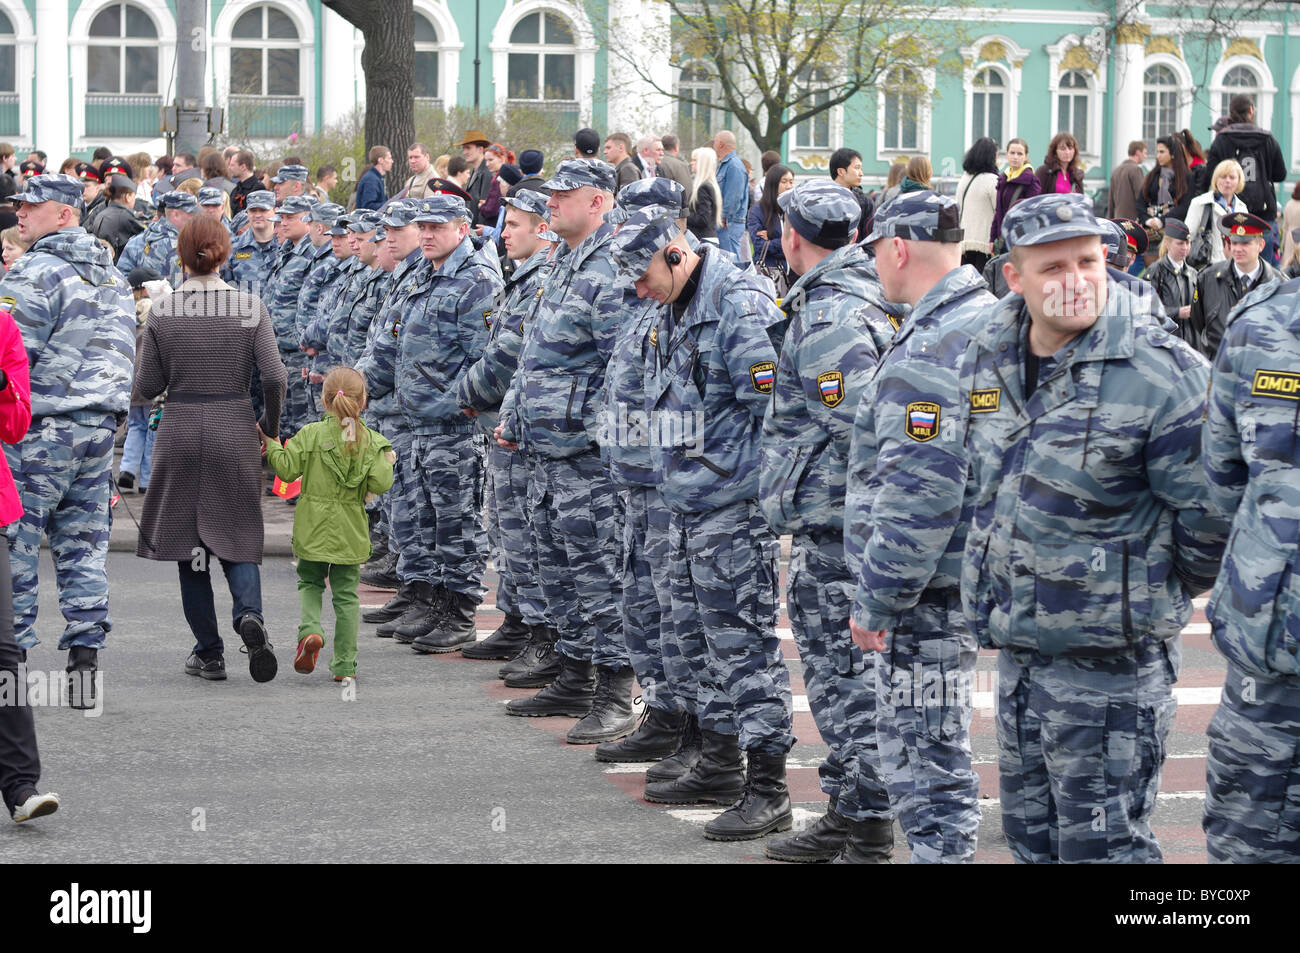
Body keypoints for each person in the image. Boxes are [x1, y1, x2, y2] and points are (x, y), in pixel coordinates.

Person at [959, 192, 1229, 863]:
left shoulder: (1161, 372)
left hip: (1114, 670)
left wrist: (1140, 588)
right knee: (1031, 843)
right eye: (1053, 268)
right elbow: (986, 482)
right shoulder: (990, 355)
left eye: (1088, 260)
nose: (1076, 279)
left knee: (1106, 852)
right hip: (1021, 653)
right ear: (1014, 275)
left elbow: (1212, 517)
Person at [610, 206, 794, 842]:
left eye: (642, 275)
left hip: (732, 510)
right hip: (686, 503)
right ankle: (718, 761)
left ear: (674, 251)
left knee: (745, 649)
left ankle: (768, 787)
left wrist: (751, 498)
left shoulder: (737, 307)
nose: (638, 290)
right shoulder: (673, 307)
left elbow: (778, 415)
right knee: (700, 644)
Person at [847, 191, 994, 864]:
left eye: (877, 249)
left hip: (925, 596)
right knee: (923, 745)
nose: (876, 263)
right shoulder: (984, 317)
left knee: (927, 755)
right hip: (956, 581)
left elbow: (922, 494)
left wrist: (876, 597)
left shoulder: (933, 344)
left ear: (898, 248)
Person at [759, 180, 898, 863]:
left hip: (839, 531)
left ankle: (867, 826)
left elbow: (864, 432)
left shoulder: (831, 317)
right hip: (833, 526)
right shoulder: (840, 299)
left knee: (848, 685)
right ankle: (851, 809)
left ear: (792, 235)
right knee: (841, 683)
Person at [494, 159, 627, 731]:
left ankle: (615, 691)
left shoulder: (613, 268)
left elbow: (625, 373)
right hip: (544, 452)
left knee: (597, 574)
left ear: (598, 201)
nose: (551, 202)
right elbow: (534, 356)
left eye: (564, 195)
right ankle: (575, 676)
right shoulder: (563, 264)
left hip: (587, 460)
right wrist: (516, 412)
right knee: (559, 570)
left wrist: (589, 430)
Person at [1, 174, 135, 708]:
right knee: (83, 545)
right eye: (19, 206)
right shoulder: (115, 278)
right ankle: (84, 664)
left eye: (33, 207)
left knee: (17, 543)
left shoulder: (34, 271)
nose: (20, 215)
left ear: (66, 214)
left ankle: (12, 667)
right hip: (98, 429)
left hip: (39, 429)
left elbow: (12, 355)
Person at [134, 215, 286, 682]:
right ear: (224, 252)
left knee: (190, 546)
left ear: (181, 256)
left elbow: (145, 385)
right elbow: (275, 376)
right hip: (234, 427)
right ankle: (249, 615)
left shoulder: (162, 311)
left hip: (180, 428)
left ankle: (209, 651)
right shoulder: (249, 306)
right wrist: (270, 427)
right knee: (238, 533)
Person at [1201, 273, 1300, 864]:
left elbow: (1219, 486)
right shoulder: (1260, 322)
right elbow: (1218, 478)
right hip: (1271, 662)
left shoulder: (1263, 321)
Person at [455, 190, 557, 669]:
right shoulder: (522, 276)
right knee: (505, 529)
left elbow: (509, 354)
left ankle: (538, 631)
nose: (503, 233)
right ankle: (516, 621)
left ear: (542, 229)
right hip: (503, 421)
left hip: (521, 426)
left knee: (525, 533)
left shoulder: (543, 278)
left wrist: (469, 392)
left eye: (513, 224)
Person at [262, 367, 394, 683]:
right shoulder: (373, 442)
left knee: (310, 583)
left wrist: (273, 444)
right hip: (350, 530)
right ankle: (344, 666)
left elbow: (287, 470)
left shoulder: (310, 435)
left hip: (313, 526)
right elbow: (381, 482)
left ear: (325, 400)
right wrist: (387, 459)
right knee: (346, 596)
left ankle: (310, 630)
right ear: (363, 401)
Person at [0, 286, 59, 822]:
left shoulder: (3, 328)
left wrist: (2, 386)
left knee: (5, 648)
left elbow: (17, 423)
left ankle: (21, 787)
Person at [1206, 94, 1287, 263]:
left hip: (1229, 215)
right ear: (1251, 110)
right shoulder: (1267, 139)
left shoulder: (1222, 140)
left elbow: (1210, 177)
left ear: (1231, 114)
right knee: (1266, 274)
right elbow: (1280, 174)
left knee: (1230, 271)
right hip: (1262, 216)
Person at [1191, 211, 1284, 360]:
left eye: (1245, 243)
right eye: (1234, 242)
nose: (1238, 249)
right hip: (1217, 367)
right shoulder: (1208, 278)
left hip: (1258, 370)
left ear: (1261, 245)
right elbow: (1198, 321)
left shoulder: (1279, 284)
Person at [118, 264, 164, 495]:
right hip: (153, 385)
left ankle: (126, 469)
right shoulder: (158, 311)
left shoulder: (123, 309)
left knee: (136, 426)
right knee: (153, 429)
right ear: (146, 289)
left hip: (131, 385)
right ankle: (147, 479)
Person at [1145, 218, 1199, 347]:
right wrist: (1177, 312)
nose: (1185, 247)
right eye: (1180, 243)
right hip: (1165, 341)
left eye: (1187, 243)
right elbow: (1145, 308)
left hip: (1191, 342)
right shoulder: (1156, 270)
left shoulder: (1193, 273)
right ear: (1167, 244)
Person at [1183, 158, 1247, 267]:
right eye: (1223, 176)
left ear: (1239, 181)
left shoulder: (1242, 208)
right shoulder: (1199, 203)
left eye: (1232, 177)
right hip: (1206, 267)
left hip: (1234, 268)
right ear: (1215, 179)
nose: (1227, 181)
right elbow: (1186, 236)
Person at [956, 137, 999, 271]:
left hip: (964, 241)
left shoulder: (964, 179)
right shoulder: (993, 181)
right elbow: (998, 210)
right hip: (984, 243)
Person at [990, 138, 1041, 247]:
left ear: (1026, 157)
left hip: (1020, 238)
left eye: (1020, 154)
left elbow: (1032, 212)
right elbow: (998, 211)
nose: (1015, 157)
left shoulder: (1031, 180)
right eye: (1012, 153)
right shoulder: (1003, 178)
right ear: (1007, 155)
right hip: (1002, 238)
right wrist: (992, 237)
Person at [747, 163, 792, 281]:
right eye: (784, 181)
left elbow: (802, 243)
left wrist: (773, 241)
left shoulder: (794, 209)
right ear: (773, 184)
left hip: (794, 274)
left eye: (791, 182)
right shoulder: (757, 211)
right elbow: (759, 246)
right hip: (769, 274)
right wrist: (787, 243)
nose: (789, 186)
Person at [1141, 135, 1192, 235]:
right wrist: (1148, 220)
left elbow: (1185, 206)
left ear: (1172, 154)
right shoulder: (1152, 176)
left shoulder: (1186, 177)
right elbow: (1140, 202)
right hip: (1151, 231)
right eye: (1157, 152)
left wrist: (1161, 220)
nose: (1158, 156)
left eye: (1162, 152)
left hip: (1175, 231)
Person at [89, 174, 145, 262]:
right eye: (134, 196)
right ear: (128, 197)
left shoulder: (101, 213)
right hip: (117, 267)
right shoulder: (126, 216)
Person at [714, 130, 748, 256]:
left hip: (729, 223)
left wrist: (723, 218)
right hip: (727, 222)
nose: (714, 145)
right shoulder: (726, 165)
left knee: (731, 263)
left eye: (715, 142)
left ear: (721, 144)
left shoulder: (734, 166)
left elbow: (733, 198)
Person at [830, 147, 873, 229]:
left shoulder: (864, 202)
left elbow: (869, 236)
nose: (861, 173)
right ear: (841, 172)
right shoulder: (823, 199)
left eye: (861, 169)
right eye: (857, 168)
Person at [687, 146, 722, 243]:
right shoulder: (709, 185)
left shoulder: (703, 187)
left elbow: (703, 219)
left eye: (694, 160)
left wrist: (684, 214)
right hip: (706, 238)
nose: (691, 163)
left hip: (702, 240)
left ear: (702, 163)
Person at [1109, 141, 1148, 220]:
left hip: (1117, 220)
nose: (1145, 156)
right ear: (1137, 152)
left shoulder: (1115, 170)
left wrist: (1111, 220)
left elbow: (1111, 201)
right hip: (1132, 221)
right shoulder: (1136, 169)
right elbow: (1141, 196)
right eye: (1144, 153)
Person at [458, 131, 492, 220]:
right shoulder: (475, 172)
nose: (465, 152)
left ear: (480, 149)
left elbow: (485, 207)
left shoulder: (487, 173)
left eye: (468, 148)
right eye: (464, 148)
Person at [354, 146, 391, 211]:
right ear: (380, 160)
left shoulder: (377, 178)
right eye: (389, 158)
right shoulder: (371, 180)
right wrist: (389, 205)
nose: (392, 161)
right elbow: (368, 206)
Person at [228, 149, 260, 215]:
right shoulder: (236, 190)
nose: (229, 168)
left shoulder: (258, 189)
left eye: (232, 165)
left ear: (243, 167)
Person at [1279, 181, 1300, 266]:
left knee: (1287, 266)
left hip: (1289, 237)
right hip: (1298, 239)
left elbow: (1285, 227)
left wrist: (1283, 244)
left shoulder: (1289, 204)